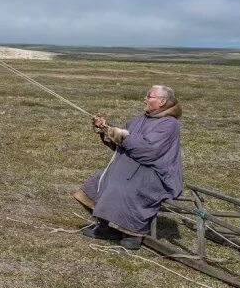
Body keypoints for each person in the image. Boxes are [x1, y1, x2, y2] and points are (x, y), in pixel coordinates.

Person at [75, 85, 183, 250]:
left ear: (162, 102)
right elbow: (124, 141)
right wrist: (105, 128)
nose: (145, 99)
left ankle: (133, 233)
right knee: (99, 181)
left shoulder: (169, 125)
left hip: (156, 173)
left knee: (125, 188)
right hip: (132, 168)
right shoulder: (139, 120)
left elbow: (147, 150)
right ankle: (104, 226)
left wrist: (117, 134)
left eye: (150, 96)